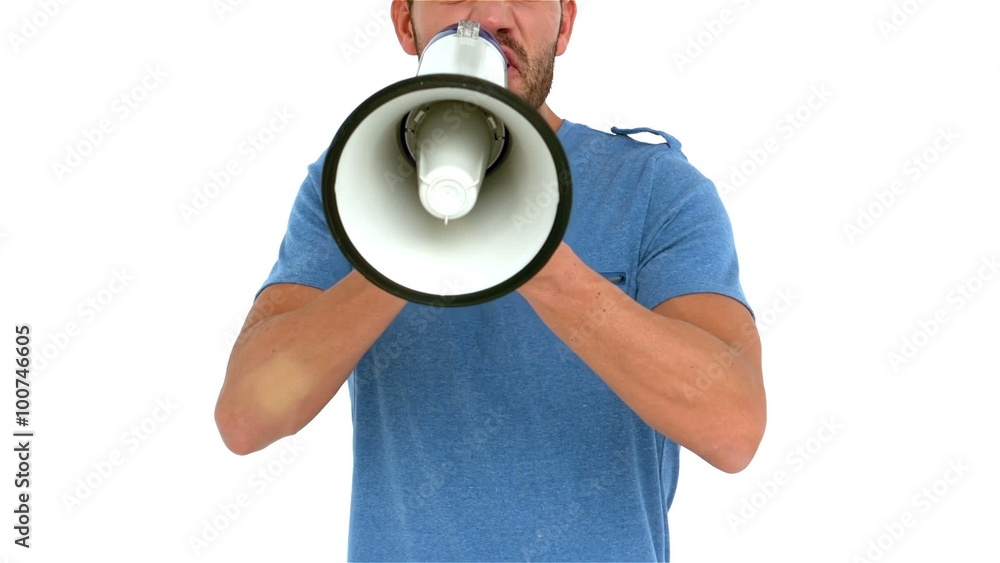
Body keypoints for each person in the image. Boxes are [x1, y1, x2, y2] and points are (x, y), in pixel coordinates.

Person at [214, 1, 766, 561]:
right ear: (407, 23)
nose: (492, 15)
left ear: (565, 24)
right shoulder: (351, 182)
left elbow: (733, 429)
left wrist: (533, 250)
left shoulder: (655, 188)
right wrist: (402, 240)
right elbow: (247, 418)